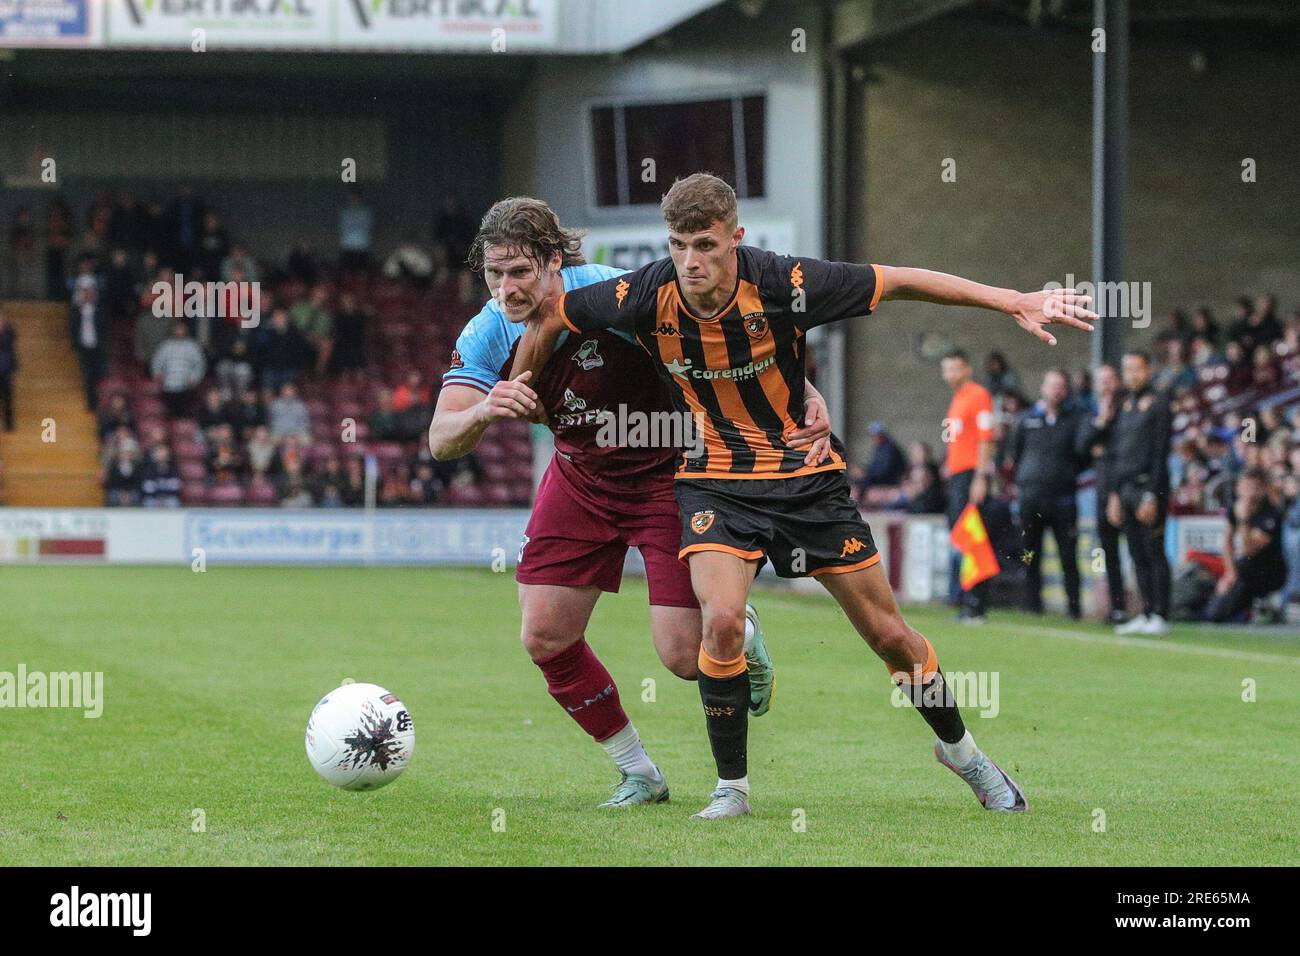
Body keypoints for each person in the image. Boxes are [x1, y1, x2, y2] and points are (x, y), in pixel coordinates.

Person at [515, 173, 1095, 818]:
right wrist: (517, 387)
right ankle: (731, 788)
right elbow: (549, 314)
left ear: (736, 238)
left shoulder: (787, 283)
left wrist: (1010, 299)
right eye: (679, 245)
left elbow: (900, 279)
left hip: (805, 480)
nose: (690, 261)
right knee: (723, 622)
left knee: (888, 635)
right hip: (714, 482)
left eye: (705, 244)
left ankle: (963, 753)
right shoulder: (641, 293)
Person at [430, 196, 836, 808]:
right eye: (494, 273)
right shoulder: (488, 328)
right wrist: (486, 409)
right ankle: (639, 773)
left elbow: (722, 340)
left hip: (668, 475)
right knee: (544, 636)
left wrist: (803, 391)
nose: (506, 288)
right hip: (580, 478)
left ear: (551, 261)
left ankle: (740, 630)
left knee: (680, 656)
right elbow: (440, 439)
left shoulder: (612, 293)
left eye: (519, 272)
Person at [1007, 369, 1086, 618]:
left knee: (1068, 555)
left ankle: (1074, 609)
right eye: (1052, 385)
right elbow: (1015, 454)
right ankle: (1032, 605)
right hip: (1031, 499)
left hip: (1063, 500)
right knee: (1030, 554)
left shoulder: (1074, 419)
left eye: (1061, 386)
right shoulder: (1026, 420)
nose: (1056, 391)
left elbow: (1081, 453)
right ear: (1043, 388)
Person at [1107, 351, 1173, 635]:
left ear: (1148, 370)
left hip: (1149, 486)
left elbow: (1160, 453)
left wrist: (1152, 494)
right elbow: (1116, 453)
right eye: (1127, 369)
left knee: (1154, 550)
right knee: (1135, 552)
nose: (1132, 374)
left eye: (1137, 369)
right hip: (1126, 487)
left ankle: (1161, 614)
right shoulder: (1125, 405)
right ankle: (1145, 611)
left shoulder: (1159, 404)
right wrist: (1114, 493)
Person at [941, 349, 997, 623]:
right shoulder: (957, 399)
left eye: (955, 369)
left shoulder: (978, 395)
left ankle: (978, 604)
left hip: (971, 475)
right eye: (946, 369)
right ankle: (967, 600)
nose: (950, 375)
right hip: (958, 475)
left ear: (967, 369)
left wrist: (981, 477)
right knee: (963, 537)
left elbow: (987, 438)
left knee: (974, 536)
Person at [1205, 469, 1286, 622]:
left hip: (1268, 571)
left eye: (1254, 487)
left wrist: (1244, 521)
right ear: (1239, 488)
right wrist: (1230, 573)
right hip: (1244, 568)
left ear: (1263, 490)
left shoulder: (1271, 513)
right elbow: (1227, 542)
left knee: (1219, 613)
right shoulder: (1234, 508)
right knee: (1213, 610)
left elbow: (1249, 549)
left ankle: (1253, 609)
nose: (1249, 492)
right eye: (1246, 486)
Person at [0, 307, 16, 432]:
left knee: (7, 398)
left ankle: (9, 424)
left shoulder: (9, 333)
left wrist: (13, 372)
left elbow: (12, 353)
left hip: (5, 370)